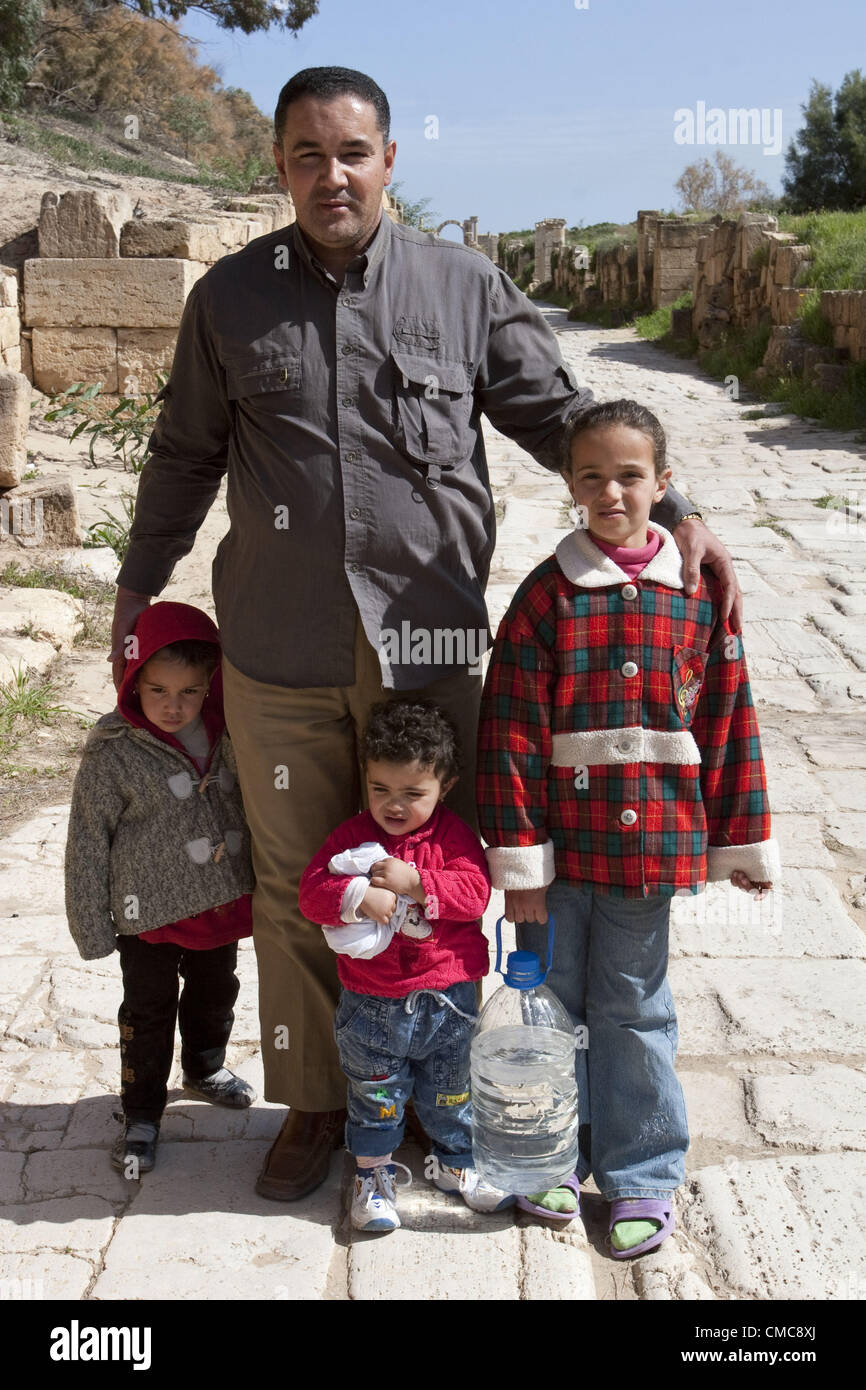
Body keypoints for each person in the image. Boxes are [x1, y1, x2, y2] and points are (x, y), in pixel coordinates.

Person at [109, 65, 743, 1202]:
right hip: (280, 645)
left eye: (351, 152)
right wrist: (134, 591)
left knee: (441, 867)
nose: (330, 174)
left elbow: (562, 418)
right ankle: (319, 1099)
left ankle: (436, 1082)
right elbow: (183, 455)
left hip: (435, 643)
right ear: (279, 167)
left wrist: (677, 511)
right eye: (306, 154)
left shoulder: (461, 285)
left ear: (389, 160)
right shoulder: (231, 298)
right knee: (301, 874)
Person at [476, 398, 779, 1258]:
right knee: (551, 1006)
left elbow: (728, 718)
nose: (612, 493)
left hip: (650, 856)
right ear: (571, 486)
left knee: (636, 1009)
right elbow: (508, 731)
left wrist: (741, 840)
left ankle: (642, 1171)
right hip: (561, 854)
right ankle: (551, 1158)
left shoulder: (697, 596)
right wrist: (521, 864)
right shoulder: (545, 596)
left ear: (664, 483)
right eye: (593, 477)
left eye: (631, 476)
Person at [298, 700, 509, 1232]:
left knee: (452, 1088)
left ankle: (455, 1161)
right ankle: (372, 1175)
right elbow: (309, 894)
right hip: (371, 1003)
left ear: (446, 785)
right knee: (374, 1094)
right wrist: (355, 894)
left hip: (448, 999)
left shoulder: (453, 836)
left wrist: (416, 883)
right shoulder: (351, 841)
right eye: (380, 790)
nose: (395, 806)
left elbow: (476, 893)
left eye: (413, 794)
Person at [65, 602, 256, 1175]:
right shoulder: (114, 752)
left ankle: (204, 1067)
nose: (173, 706)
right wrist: (91, 925)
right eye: (157, 690)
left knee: (215, 991)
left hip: (215, 905)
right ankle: (142, 1112)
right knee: (147, 1014)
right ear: (132, 682)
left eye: (190, 692)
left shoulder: (232, 734)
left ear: (211, 685)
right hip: (145, 915)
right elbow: (86, 841)